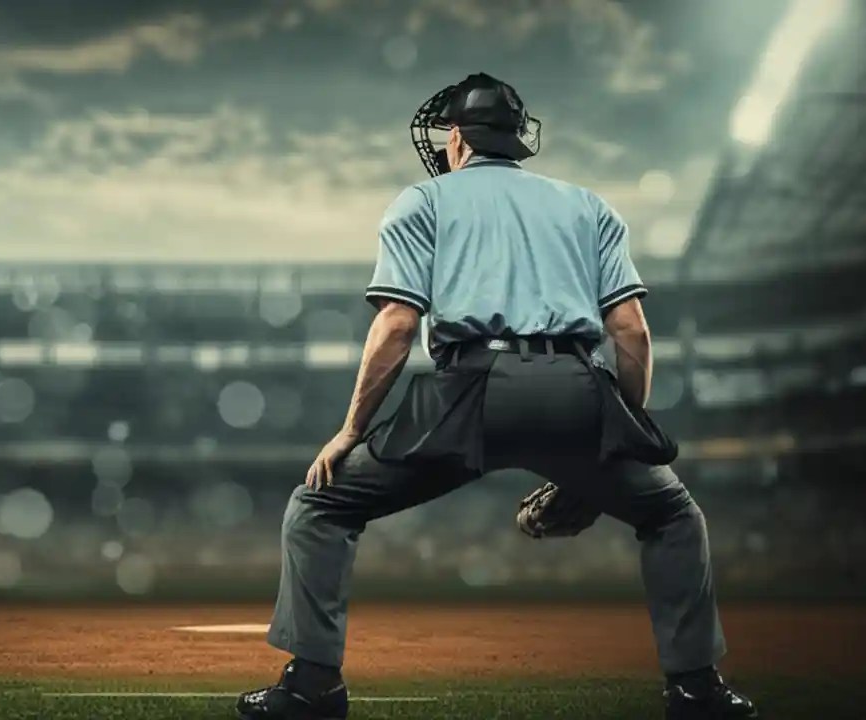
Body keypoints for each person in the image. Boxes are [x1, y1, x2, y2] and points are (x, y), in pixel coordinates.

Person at [235, 73, 756, 720]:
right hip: (575, 387)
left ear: (456, 139)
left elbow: (397, 325)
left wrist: (348, 432)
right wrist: (608, 438)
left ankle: (312, 688)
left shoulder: (422, 201)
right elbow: (631, 333)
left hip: (468, 391)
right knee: (673, 516)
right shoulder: (588, 205)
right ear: (518, 140)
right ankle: (698, 692)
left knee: (320, 506)